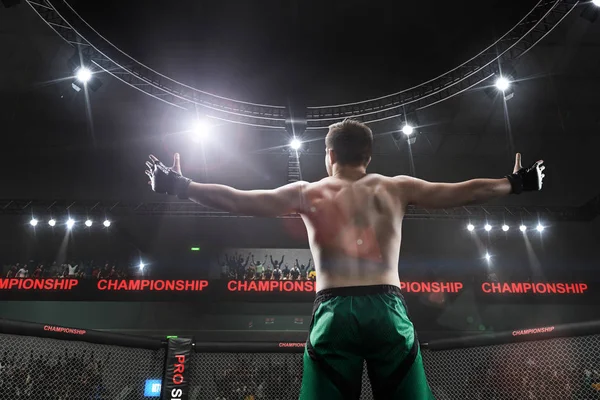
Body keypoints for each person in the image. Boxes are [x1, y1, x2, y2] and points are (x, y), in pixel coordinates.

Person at [145, 119, 545, 399]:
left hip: (333, 313)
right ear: (368, 156)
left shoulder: (309, 192)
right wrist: (515, 183)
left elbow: (238, 200)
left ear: (329, 153)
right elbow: (463, 192)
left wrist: (181, 185)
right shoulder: (395, 188)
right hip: (388, 311)